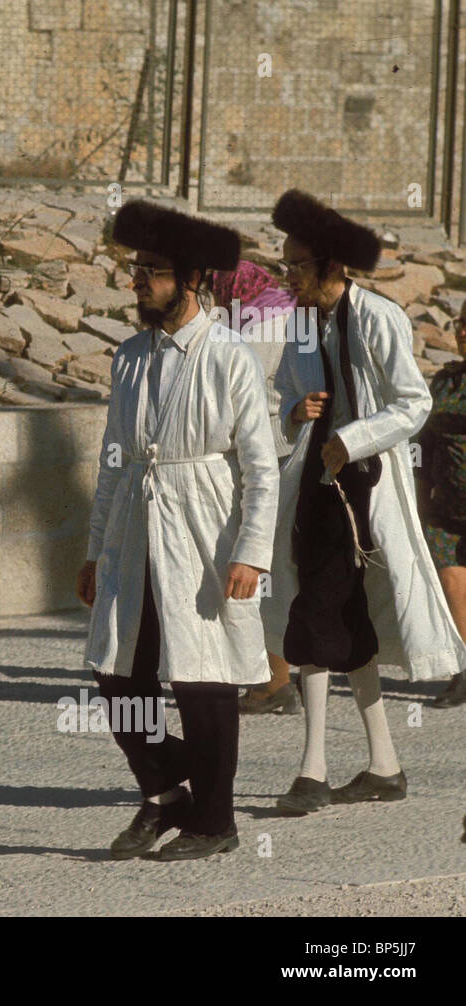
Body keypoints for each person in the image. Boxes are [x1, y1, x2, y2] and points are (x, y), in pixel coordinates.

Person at [78, 200, 278, 861]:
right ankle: (166, 793)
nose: (139, 280)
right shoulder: (130, 356)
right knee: (117, 673)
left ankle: (214, 824)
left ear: (190, 279)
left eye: (154, 271)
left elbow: (259, 466)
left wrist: (251, 551)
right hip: (136, 531)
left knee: (204, 678)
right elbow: (114, 457)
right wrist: (94, 548)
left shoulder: (230, 358)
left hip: (204, 534)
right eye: (136, 269)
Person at [264, 190, 466, 815]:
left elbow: (413, 403)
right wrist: (296, 415)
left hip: (367, 486)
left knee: (325, 618)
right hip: (316, 490)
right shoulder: (301, 324)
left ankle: (314, 770)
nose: (286, 276)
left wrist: (351, 439)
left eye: (295, 265)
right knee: (330, 619)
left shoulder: (379, 318)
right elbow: (284, 398)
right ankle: (379, 764)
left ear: (329, 266)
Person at [211, 262, 301, 715]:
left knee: (259, 570)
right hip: (298, 455)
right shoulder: (292, 315)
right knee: (283, 570)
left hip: (265, 459)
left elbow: (242, 404)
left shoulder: (247, 332)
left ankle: (272, 681)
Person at [413, 301, 466, 709]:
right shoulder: (445, 383)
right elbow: (425, 443)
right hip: (448, 509)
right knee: (453, 586)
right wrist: (419, 496)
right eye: (462, 324)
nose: (463, 332)